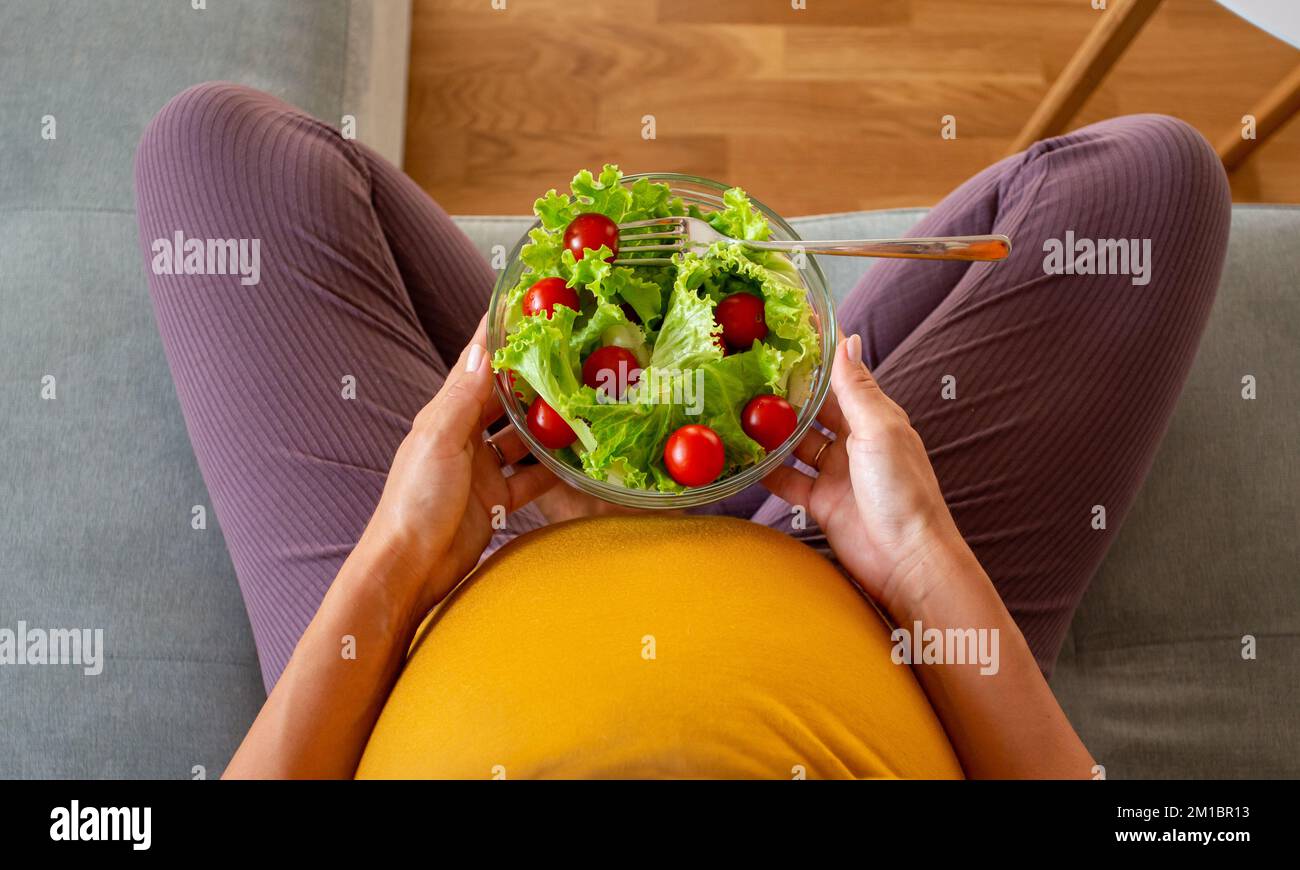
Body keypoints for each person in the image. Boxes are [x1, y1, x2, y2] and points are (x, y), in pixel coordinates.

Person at [134, 83, 1230, 779]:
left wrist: (399, 558)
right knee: (1148, 182)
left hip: (441, 606)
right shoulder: (899, 571)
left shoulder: (417, 569)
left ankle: (601, 413)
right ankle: (679, 425)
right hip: (869, 606)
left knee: (218, 153)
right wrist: (921, 563)